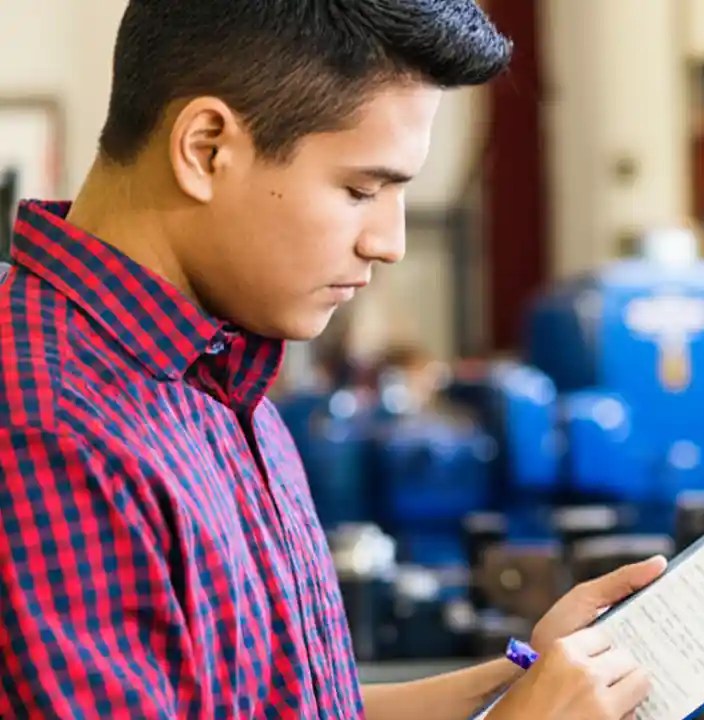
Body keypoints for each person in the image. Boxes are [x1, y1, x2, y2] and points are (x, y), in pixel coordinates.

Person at [0, 2, 662, 718]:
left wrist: (517, 684)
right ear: (205, 149)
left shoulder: (216, 381)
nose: (390, 241)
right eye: (362, 190)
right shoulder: (51, 428)